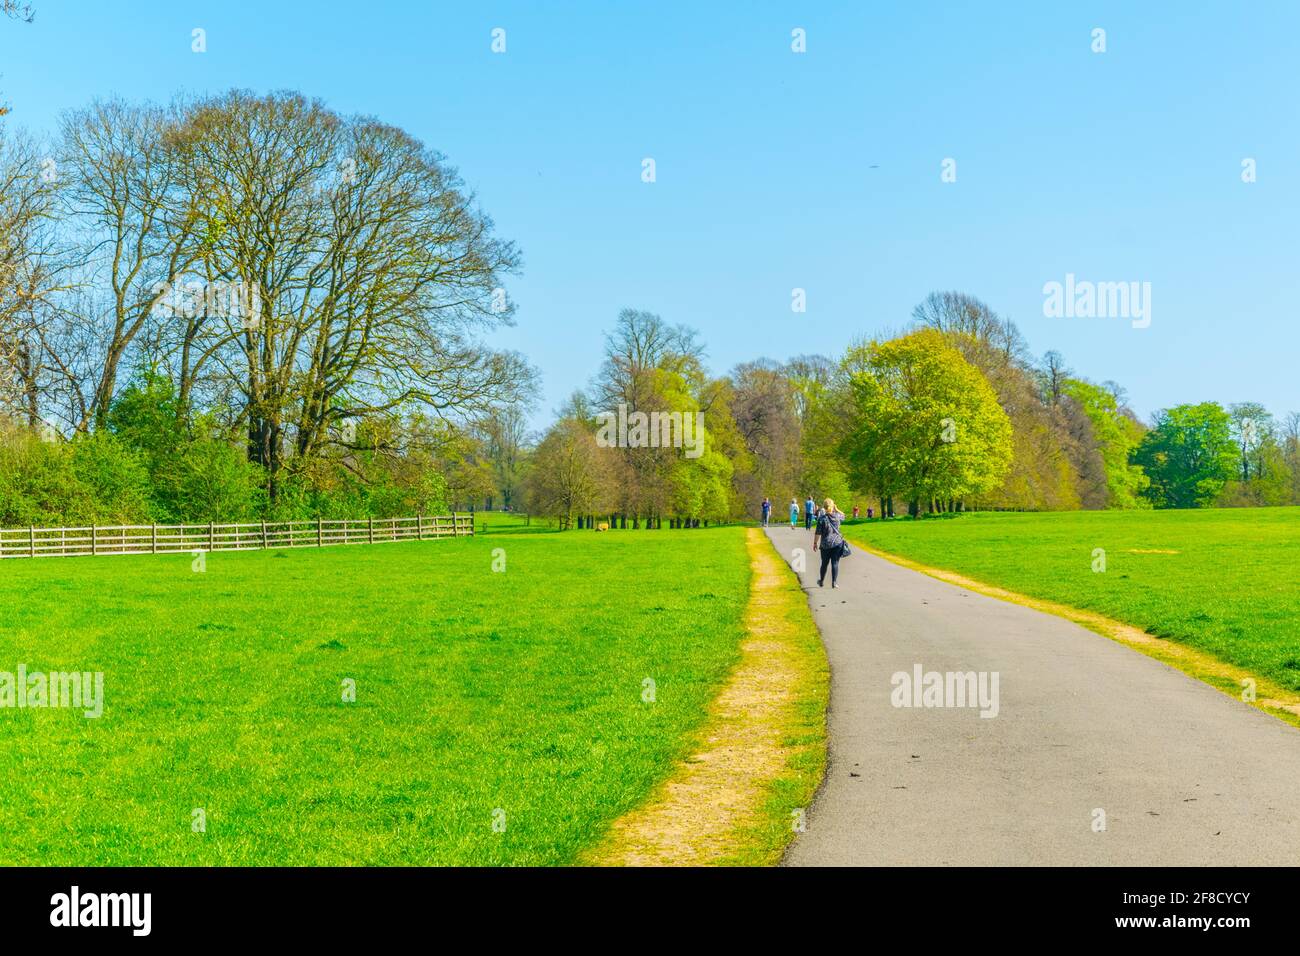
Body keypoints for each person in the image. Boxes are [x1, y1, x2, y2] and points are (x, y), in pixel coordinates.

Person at [811, 497, 846, 588]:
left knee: (824, 563)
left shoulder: (822, 519)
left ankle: (821, 581)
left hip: (825, 544)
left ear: (824, 507)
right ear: (832, 506)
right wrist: (837, 509)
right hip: (837, 543)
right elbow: (844, 515)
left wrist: (815, 543)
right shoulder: (837, 516)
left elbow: (818, 532)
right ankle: (834, 582)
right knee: (835, 563)